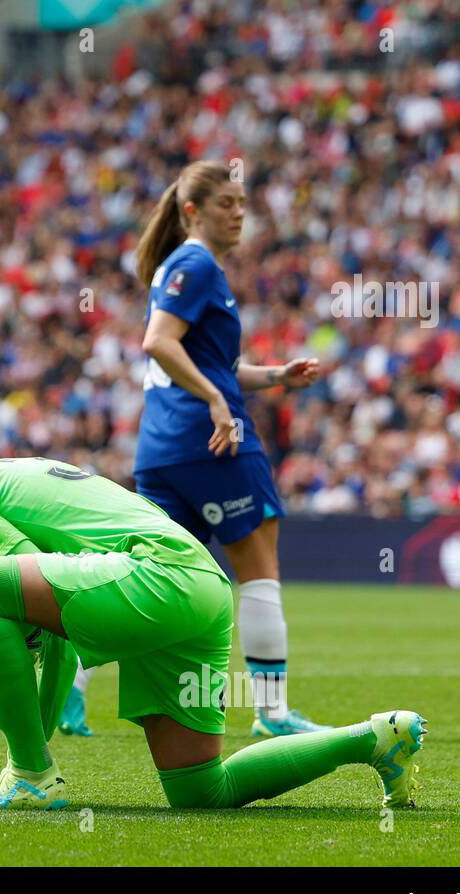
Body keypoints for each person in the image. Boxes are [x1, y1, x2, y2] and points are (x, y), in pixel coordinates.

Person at [0, 421, 426, 811]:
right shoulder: (3, 473)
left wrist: (32, 759)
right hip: (203, 588)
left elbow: (14, 567)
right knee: (201, 790)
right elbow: (49, 617)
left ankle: (30, 778)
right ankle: (374, 739)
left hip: (155, 577)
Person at [129, 158, 328, 737]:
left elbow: (206, 361)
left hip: (161, 448)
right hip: (214, 442)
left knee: (154, 580)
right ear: (192, 211)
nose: (239, 213)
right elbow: (159, 343)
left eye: (243, 204)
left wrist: (277, 375)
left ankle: (74, 683)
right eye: (226, 204)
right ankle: (273, 714)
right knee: (259, 569)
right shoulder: (195, 262)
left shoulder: (178, 266)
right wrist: (217, 401)